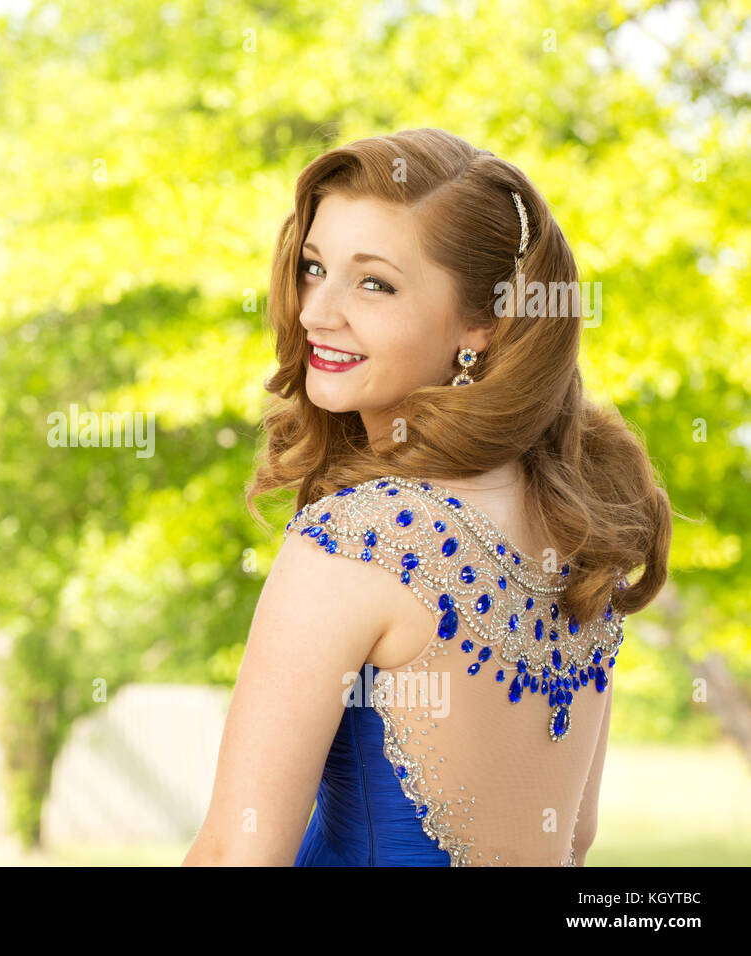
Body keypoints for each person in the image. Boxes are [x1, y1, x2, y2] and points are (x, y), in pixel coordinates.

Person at [184, 128, 672, 866]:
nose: (318, 310)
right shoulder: (576, 527)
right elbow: (573, 838)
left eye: (374, 282)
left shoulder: (355, 541)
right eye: (314, 268)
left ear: (484, 323)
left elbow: (236, 855)